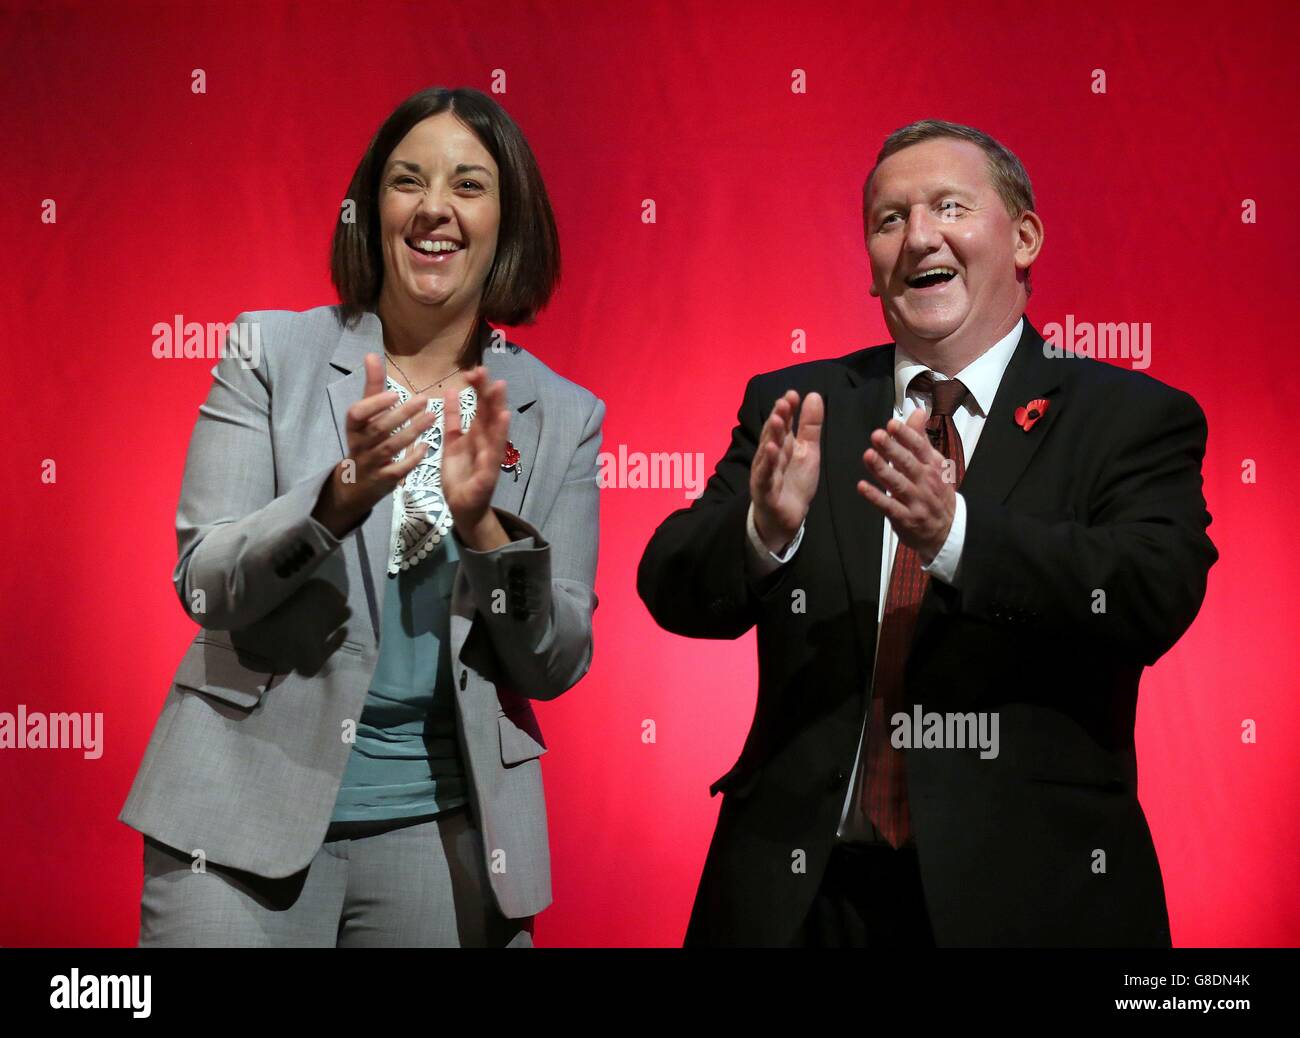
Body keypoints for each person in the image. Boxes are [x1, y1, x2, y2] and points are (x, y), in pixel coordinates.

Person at [636, 119, 1217, 947]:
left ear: (1024, 238)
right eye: (888, 220)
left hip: (1030, 900)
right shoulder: (802, 406)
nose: (918, 238)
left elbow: (1152, 591)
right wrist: (761, 531)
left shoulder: (1128, 417)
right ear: (871, 269)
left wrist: (959, 537)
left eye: (949, 206)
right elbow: (670, 582)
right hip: (803, 899)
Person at [120, 86, 604, 947]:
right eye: (406, 181)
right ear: (370, 208)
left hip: (444, 834)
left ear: (508, 219)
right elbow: (206, 581)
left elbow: (556, 658)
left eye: (468, 185)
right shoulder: (270, 353)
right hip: (240, 815)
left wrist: (485, 527)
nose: (434, 208)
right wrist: (339, 496)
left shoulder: (561, 413)